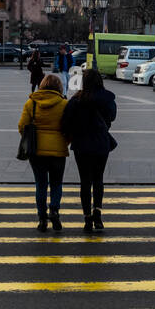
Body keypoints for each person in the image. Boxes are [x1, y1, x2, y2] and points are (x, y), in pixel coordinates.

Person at [61, 67, 117, 232]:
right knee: (98, 179)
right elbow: (112, 116)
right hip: (101, 143)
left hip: (81, 145)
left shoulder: (76, 100)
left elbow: (65, 122)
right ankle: (97, 213)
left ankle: (87, 218)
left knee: (85, 181)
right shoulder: (107, 99)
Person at [18, 72, 69, 232]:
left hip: (37, 151)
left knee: (41, 185)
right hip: (58, 151)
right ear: (59, 87)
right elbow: (70, 127)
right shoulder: (64, 104)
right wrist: (64, 141)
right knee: (56, 183)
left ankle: (42, 219)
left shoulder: (31, 103)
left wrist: (32, 140)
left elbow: (22, 126)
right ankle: (54, 209)